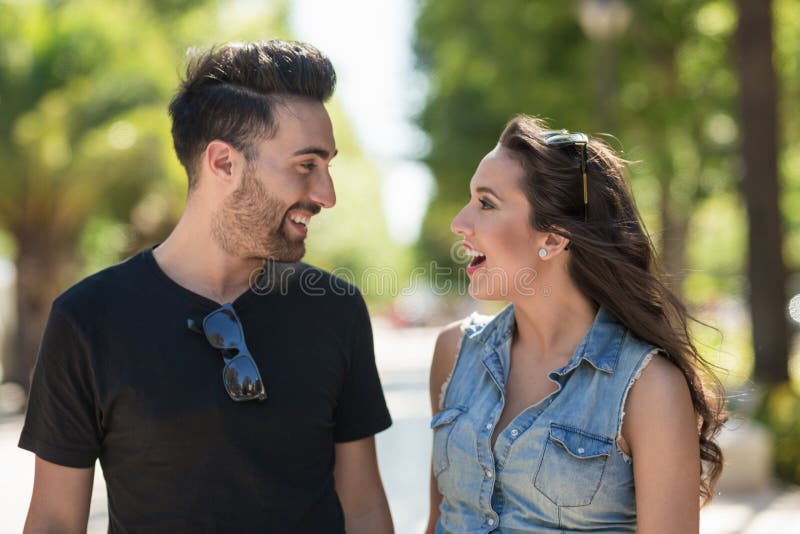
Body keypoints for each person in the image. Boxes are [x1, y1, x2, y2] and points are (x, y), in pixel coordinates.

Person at [19, 40, 394, 533]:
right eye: (306, 166)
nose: (327, 194)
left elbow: (363, 507)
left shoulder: (336, 309)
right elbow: (53, 522)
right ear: (223, 163)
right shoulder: (88, 319)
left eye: (328, 167)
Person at [426, 115, 725, 533]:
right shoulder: (453, 354)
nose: (460, 222)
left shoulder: (648, 388)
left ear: (553, 237)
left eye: (486, 203)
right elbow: (438, 521)